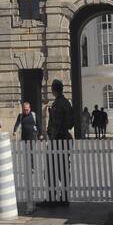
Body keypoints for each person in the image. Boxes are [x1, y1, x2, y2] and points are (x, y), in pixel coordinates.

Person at [44, 79, 74, 207]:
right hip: (65, 139)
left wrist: (51, 141)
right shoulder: (67, 103)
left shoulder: (57, 104)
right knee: (63, 169)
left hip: (57, 140)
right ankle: (64, 197)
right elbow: (71, 123)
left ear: (53, 90)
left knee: (51, 170)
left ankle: (52, 198)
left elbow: (56, 124)